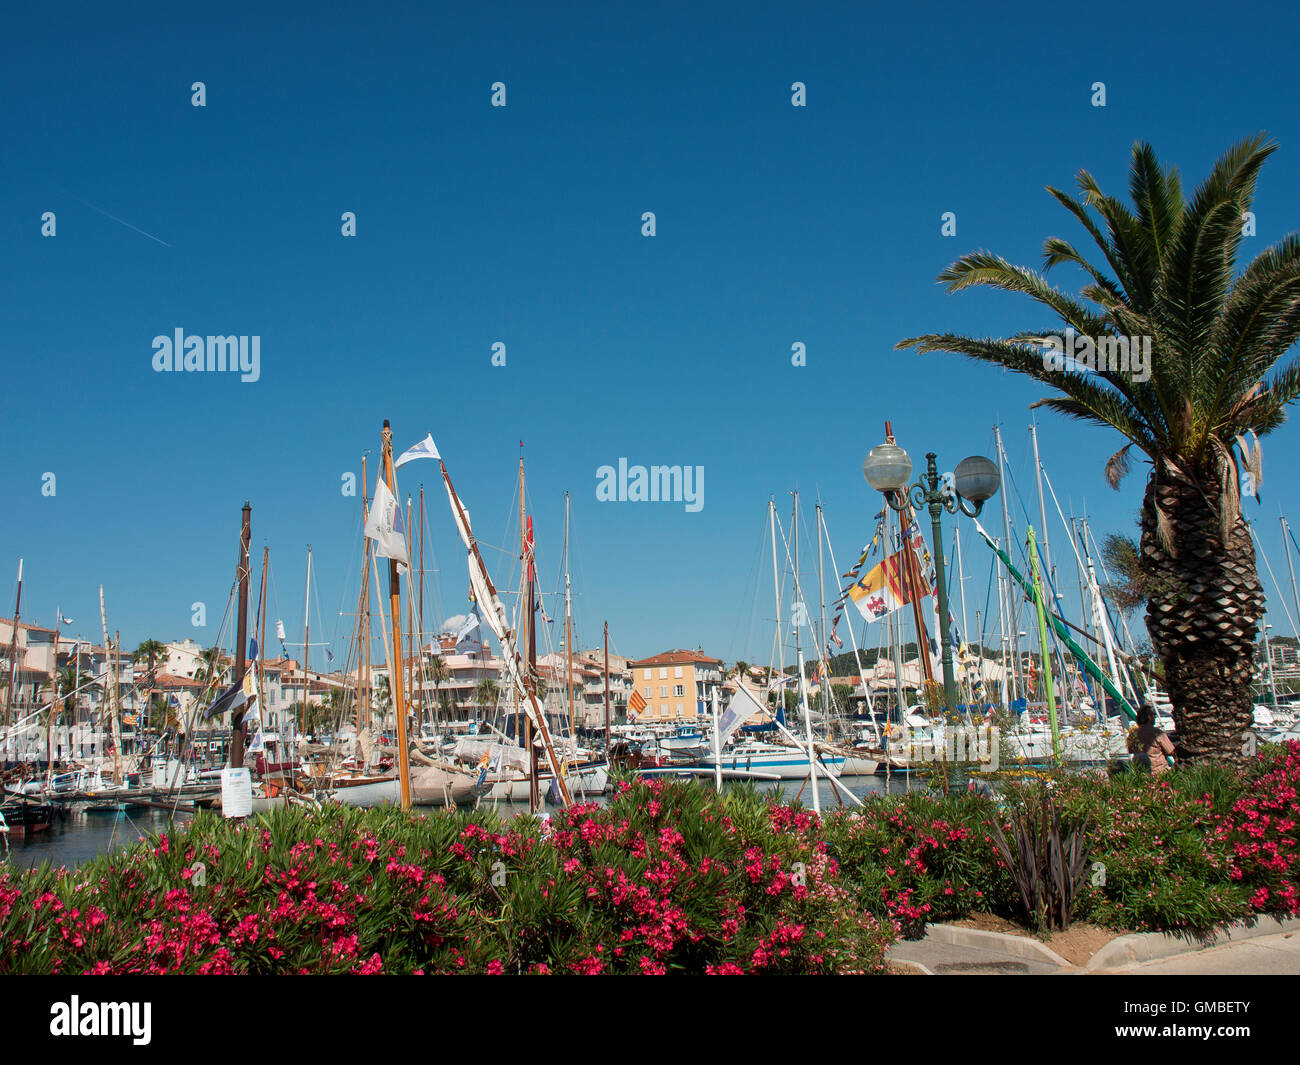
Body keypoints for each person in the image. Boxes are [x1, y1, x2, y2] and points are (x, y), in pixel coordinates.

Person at [1128, 706, 1175, 773]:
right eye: (1153, 715)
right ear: (1149, 717)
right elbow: (1170, 751)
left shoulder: (1133, 734)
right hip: (1158, 771)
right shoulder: (1157, 733)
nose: (1155, 717)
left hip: (1141, 772)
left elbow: (1129, 749)